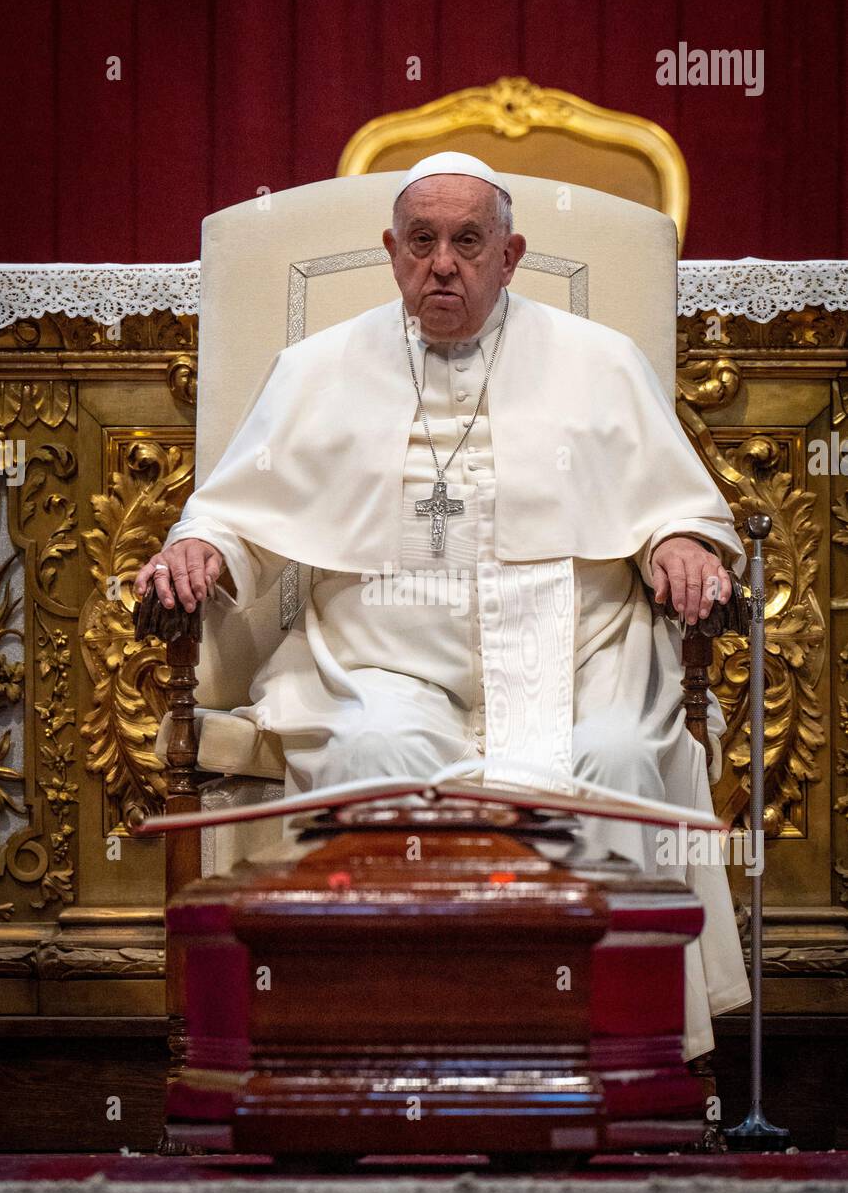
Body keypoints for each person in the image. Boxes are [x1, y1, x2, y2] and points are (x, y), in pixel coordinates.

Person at [136, 151, 750, 1056]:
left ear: (512, 255)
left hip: (580, 654)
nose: (443, 264)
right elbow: (236, 509)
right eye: (421, 242)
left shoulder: (600, 362)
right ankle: (389, 1038)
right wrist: (201, 546)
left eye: (468, 241)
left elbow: (672, 503)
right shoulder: (318, 369)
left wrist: (678, 544)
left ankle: (620, 1049)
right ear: (392, 253)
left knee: (616, 756)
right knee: (378, 753)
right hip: (384, 661)